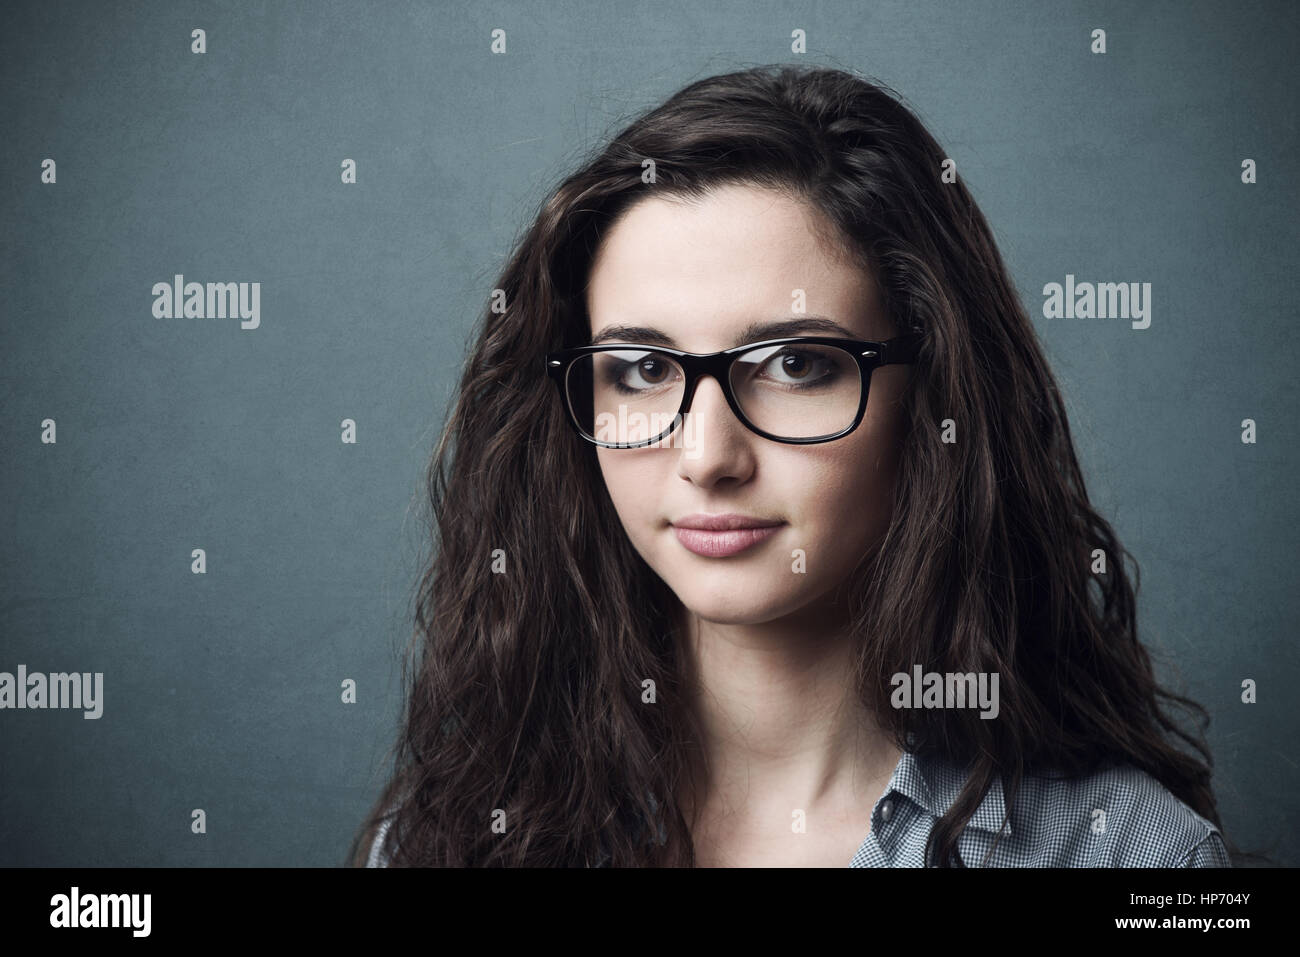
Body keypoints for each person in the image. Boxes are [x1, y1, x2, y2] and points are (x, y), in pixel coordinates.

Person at [350, 63, 1233, 867]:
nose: (707, 457)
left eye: (794, 365)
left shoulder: (1137, 859)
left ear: (931, 402)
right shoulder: (449, 837)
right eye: (645, 371)